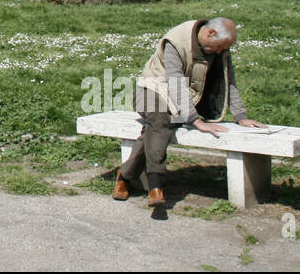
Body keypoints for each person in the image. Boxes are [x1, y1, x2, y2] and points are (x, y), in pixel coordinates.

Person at [114, 17, 266, 207]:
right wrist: (195, 120)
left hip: (182, 98)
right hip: (152, 89)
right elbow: (175, 82)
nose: (221, 51)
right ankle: (155, 185)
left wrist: (241, 117)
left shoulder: (221, 48)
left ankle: (125, 177)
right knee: (161, 119)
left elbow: (229, 81)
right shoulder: (176, 41)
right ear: (210, 33)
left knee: (156, 127)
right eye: (220, 46)